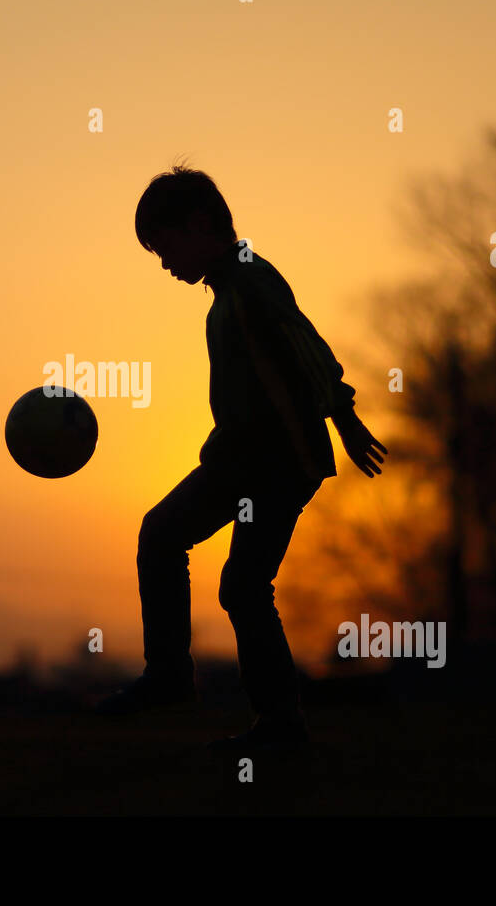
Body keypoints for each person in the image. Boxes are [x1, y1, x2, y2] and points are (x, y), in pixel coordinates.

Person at [96, 165, 388, 752]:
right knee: (237, 582)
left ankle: (181, 682)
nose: (163, 262)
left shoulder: (250, 279)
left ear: (201, 224)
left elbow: (306, 343)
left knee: (180, 546)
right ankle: (270, 721)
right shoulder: (231, 287)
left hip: (274, 462)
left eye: (165, 245)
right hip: (253, 459)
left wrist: (345, 414)